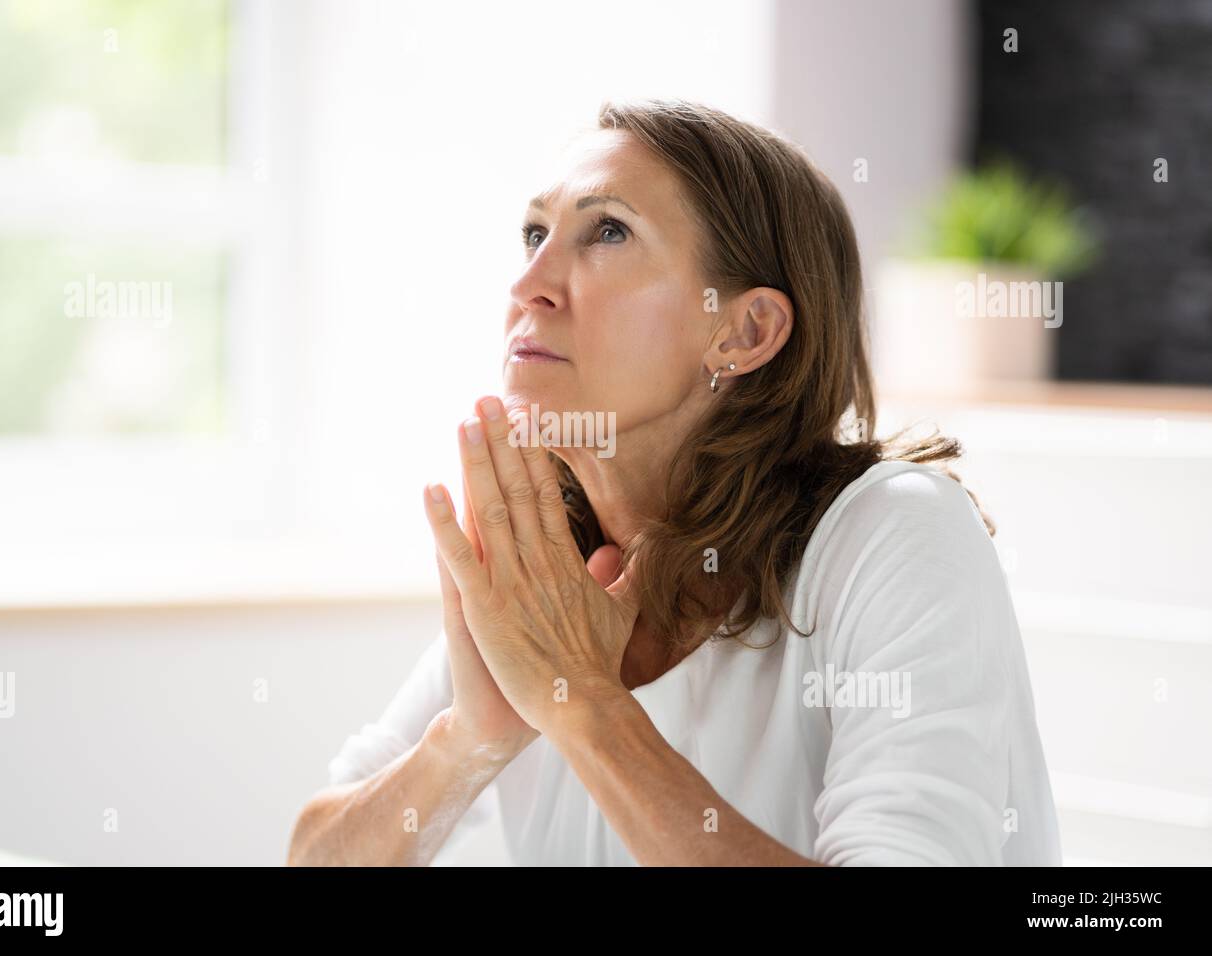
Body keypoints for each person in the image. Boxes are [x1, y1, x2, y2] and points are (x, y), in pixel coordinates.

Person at [287, 98, 1062, 867]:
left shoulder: (893, 535)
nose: (529, 283)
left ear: (745, 332)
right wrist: (468, 740)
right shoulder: (546, 569)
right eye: (534, 234)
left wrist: (587, 704)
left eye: (609, 232)